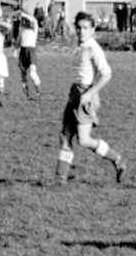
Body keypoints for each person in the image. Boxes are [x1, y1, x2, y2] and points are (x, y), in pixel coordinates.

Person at [54, 11, 127, 185]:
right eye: (78, 28)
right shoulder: (80, 46)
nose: (81, 31)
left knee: (84, 140)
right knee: (65, 136)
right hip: (75, 93)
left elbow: (107, 74)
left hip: (84, 95)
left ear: (92, 30)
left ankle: (117, 159)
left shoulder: (93, 48)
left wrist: (89, 94)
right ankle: (60, 178)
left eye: (85, 28)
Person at [16, 9, 42, 100]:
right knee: (23, 75)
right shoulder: (22, 30)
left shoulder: (34, 29)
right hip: (22, 51)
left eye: (25, 20)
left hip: (31, 51)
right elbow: (18, 41)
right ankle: (26, 95)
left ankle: (38, 91)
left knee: (32, 73)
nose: (24, 21)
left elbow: (34, 21)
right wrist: (15, 49)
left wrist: (24, 14)